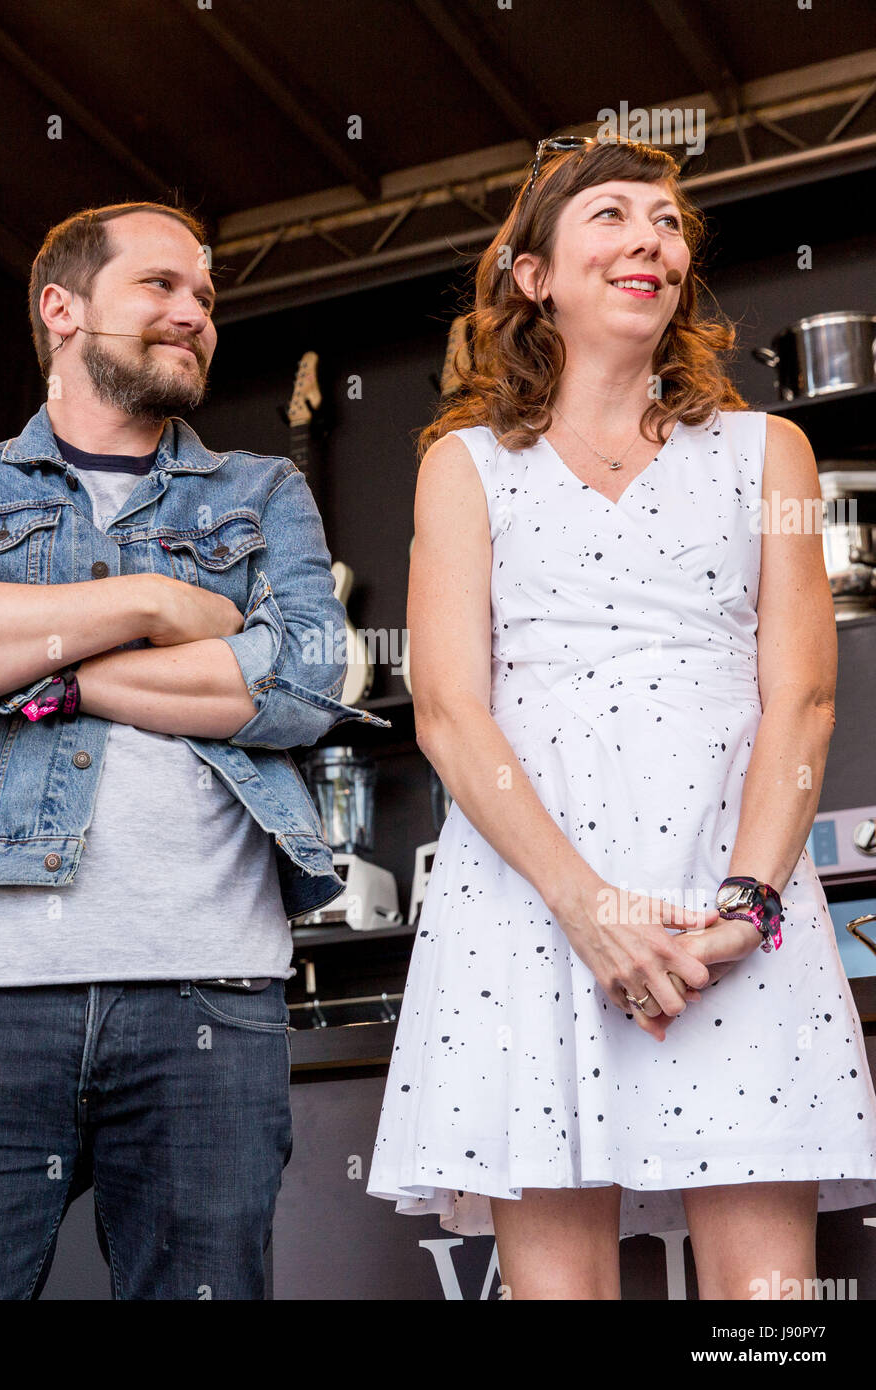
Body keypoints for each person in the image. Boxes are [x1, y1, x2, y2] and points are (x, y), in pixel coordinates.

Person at [0, 200, 387, 1300]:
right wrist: (150, 600)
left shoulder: (259, 490)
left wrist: (48, 674)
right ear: (62, 308)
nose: (192, 314)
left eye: (206, 298)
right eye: (160, 287)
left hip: (208, 994)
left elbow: (302, 676)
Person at [366, 136, 876, 1300]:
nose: (649, 236)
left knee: (769, 1315)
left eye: (666, 221)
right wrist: (585, 908)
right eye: (609, 214)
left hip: (728, 897)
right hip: (532, 907)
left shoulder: (768, 453)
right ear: (532, 273)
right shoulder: (464, 468)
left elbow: (798, 696)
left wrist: (746, 906)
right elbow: (447, 709)